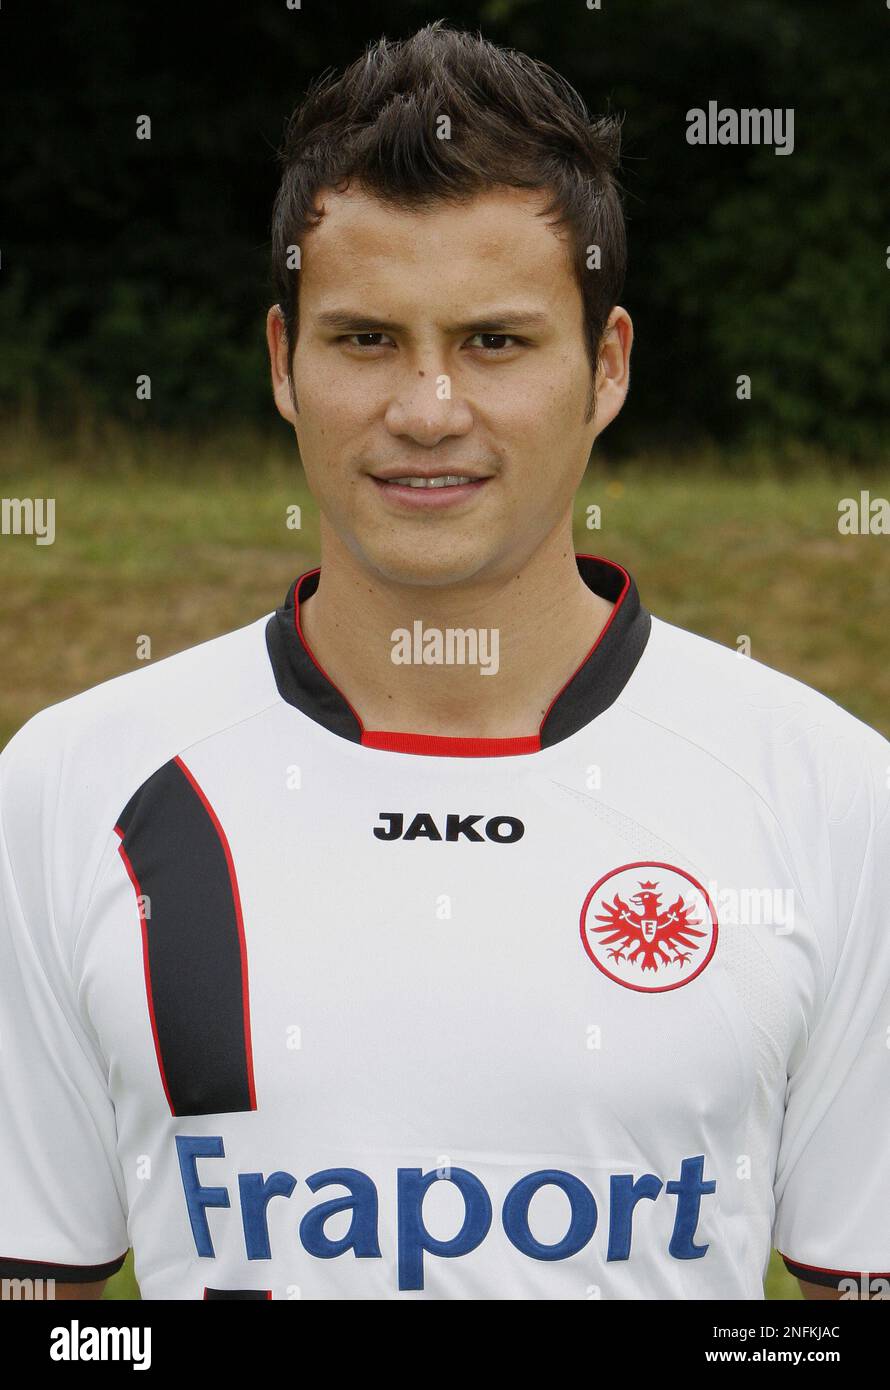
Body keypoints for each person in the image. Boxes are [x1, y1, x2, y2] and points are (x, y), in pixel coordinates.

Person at [1, 21, 887, 1301]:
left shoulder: (827, 794)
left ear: (608, 367)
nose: (425, 410)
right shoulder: (75, 786)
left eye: (493, 342)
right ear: (281, 364)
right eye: (365, 340)